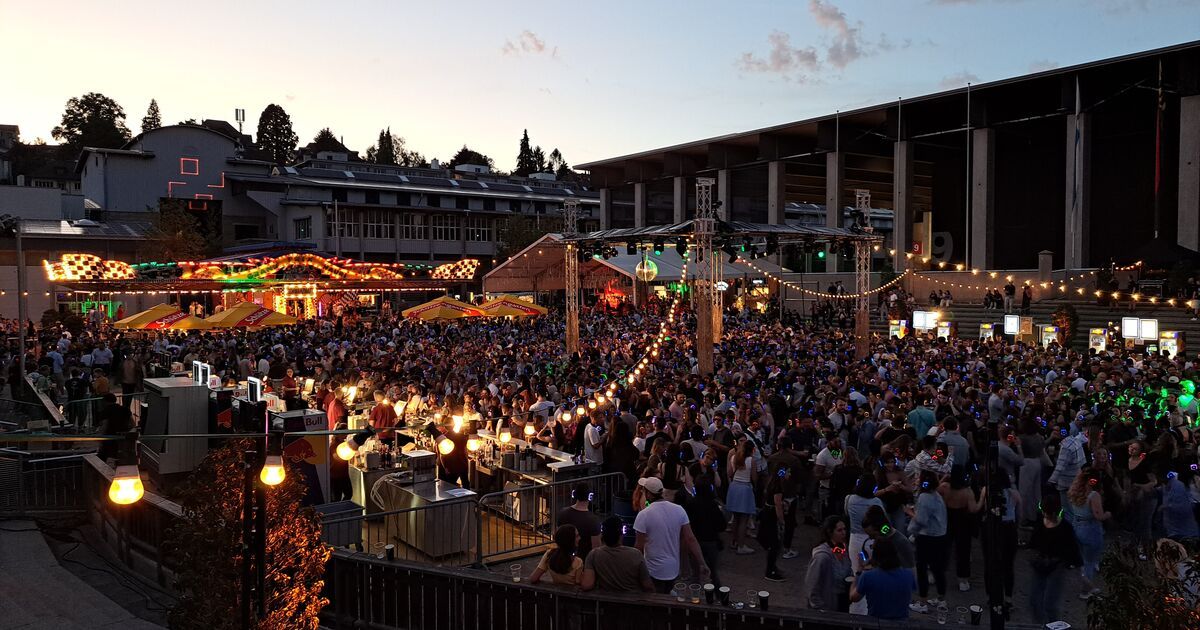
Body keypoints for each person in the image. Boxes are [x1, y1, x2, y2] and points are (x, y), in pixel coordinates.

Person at [632, 476, 709, 592]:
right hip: (673, 568)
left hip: (653, 569)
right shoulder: (679, 510)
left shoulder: (644, 515)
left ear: (648, 494)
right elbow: (690, 539)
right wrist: (702, 562)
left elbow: (639, 546)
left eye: (644, 491)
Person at [1028, 492, 1082, 625]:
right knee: (1034, 600)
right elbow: (1034, 542)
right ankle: (1041, 625)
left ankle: (1054, 626)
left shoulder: (1065, 528)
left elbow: (1073, 548)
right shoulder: (1040, 522)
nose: (1046, 515)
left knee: (1051, 604)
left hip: (1057, 566)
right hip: (1041, 564)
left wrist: (1077, 566)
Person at [908, 470, 948, 614]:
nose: (917, 479)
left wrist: (909, 512)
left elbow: (921, 520)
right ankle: (941, 598)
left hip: (927, 538)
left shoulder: (924, 497)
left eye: (919, 477)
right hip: (940, 536)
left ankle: (923, 602)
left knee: (922, 569)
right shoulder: (936, 495)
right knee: (937, 569)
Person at [1066, 467, 1110, 599]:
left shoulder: (1074, 492)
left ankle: (1086, 585)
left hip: (1076, 526)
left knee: (1082, 560)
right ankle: (1086, 591)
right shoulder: (1093, 495)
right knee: (1089, 562)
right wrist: (1108, 514)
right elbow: (1098, 515)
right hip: (1090, 529)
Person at [941, 466, 985, 593]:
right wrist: (981, 499)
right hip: (963, 521)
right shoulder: (967, 492)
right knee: (963, 551)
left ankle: (937, 572)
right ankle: (963, 580)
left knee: (944, 548)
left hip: (947, 519)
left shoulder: (944, 487)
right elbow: (973, 509)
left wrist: (944, 477)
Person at [850, 536, 916, 621]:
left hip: (875, 624)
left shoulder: (867, 577)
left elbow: (853, 598)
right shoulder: (909, 574)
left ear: (875, 554)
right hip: (901, 624)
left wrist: (858, 572)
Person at [581, 516, 654, 593]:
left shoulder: (593, 554)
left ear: (603, 534)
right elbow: (647, 585)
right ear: (621, 534)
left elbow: (587, 585)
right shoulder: (635, 554)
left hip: (606, 601)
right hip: (632, 601)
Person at [802, 515, 851, 612]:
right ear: (830, 532)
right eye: (839, 530)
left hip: (842, 602)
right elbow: (812, 585)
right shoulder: (822, 557)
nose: (844, 533)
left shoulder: (844, 550)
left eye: (844, 529)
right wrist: (820, 608)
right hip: (827, 607)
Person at [683, 475, 725, 587]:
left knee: (695, 574)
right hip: (711, 541)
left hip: (695, 541)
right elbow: (722, 526)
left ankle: (694, 595)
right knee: (712, 573)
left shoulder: (691, 504)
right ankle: (717, 597)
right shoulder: (714, 505)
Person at [757, 465, 789, 582]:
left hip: (767, 514)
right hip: (771, 517)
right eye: (787, 472)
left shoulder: (771, 483)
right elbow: (777, 505)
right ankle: (770, 571)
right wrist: (782, 521)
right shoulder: (778, 487)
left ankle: (773, 566)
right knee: (774, 544)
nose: (789, 474)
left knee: (773, 544)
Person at [725, 440, 758, 554]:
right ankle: (741, 545)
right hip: (745, 488)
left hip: (734, 487)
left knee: (735, 518)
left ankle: (734, 541)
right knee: (744, 519)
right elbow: (754, 478)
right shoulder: (751, 461)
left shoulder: (734, 458)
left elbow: (729, 473)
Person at [557, 482, 602, 561]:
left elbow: (558, 536)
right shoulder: (593, 520)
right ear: (590, 496)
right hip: (584, 561)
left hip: (564, 559)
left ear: (574, 494)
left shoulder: (562, 513)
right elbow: (596, 548)